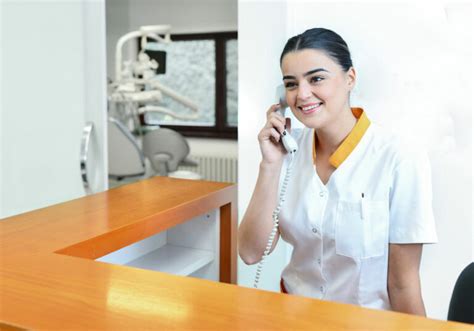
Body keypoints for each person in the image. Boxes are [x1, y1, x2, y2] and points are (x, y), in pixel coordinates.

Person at [238, 27, 438, 315]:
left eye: (316, 78)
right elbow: (250, 252)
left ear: (350, 79)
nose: (302, 94)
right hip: (294, 316)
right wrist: (270, 165)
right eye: (291, 84)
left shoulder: (399, 157)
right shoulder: (287, 150)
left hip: (365, 322)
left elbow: (403, 284)